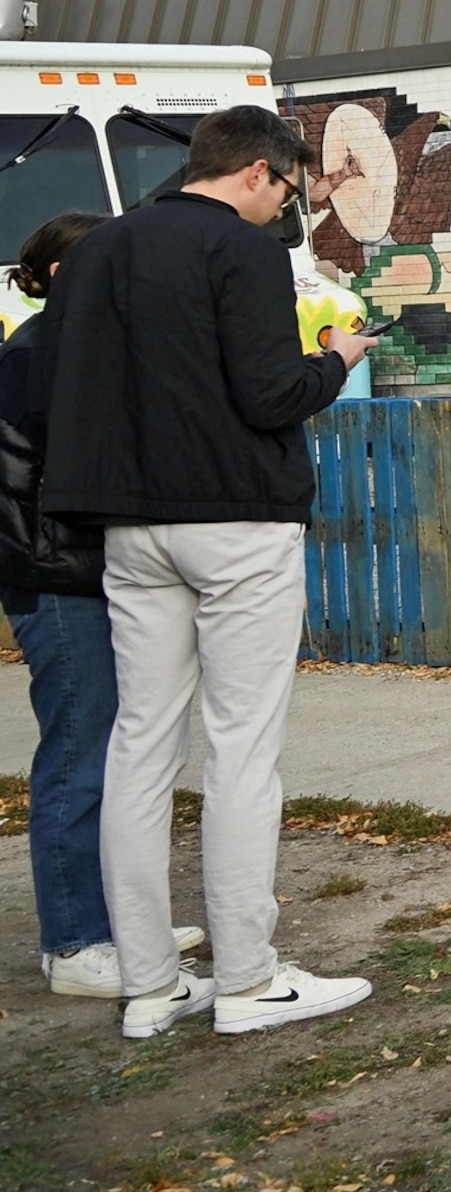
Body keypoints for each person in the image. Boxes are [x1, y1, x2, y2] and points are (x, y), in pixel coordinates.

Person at [30, 106, 377, 1039]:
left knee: (139, 748)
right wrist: (334, 359)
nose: (287, 211)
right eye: (290, 190)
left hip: (129, 527)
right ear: (260, 173)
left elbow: (53, 378)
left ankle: (149, 985)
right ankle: (250, 981)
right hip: (236, 519)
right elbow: (270, 395)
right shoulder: (243, 253)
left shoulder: (100, 250)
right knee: (240, 750)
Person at [2, 212, 205, 999]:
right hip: (57, 580)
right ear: (62, 275)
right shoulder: (37, 356)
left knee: (123, 752)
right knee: (81, 754)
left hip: (92, 574)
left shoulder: (72, 349)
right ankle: (74, 942)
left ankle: (123, 920)